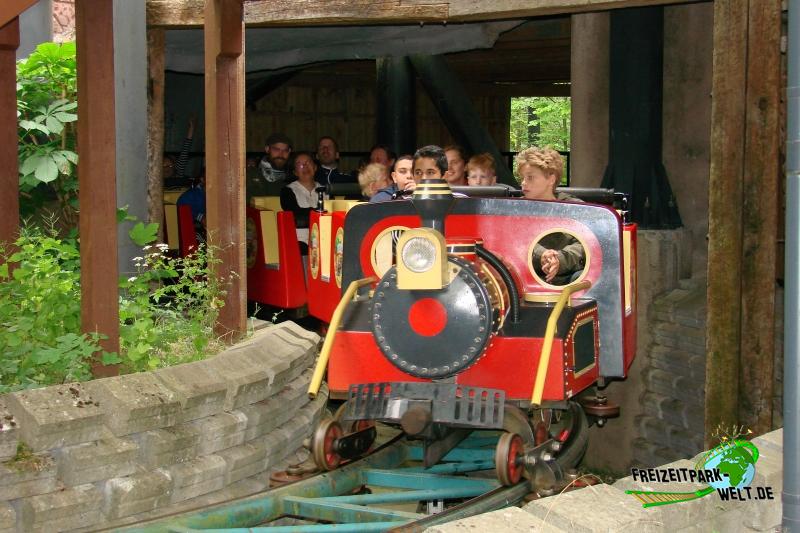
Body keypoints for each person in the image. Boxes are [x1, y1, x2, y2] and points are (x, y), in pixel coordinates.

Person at [517, 146, 584, 285]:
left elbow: (584, 244)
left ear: (551, 179)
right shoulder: (514, 209)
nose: (523, 183)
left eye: (530, 177)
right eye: (522, 178)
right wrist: (541, 255)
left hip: (568, 279)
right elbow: (514, 240)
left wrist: (559, 259)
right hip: (523, 279)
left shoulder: (575, 208)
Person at [280, 152, 325, 255]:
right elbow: (295, 215)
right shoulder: (288, 191)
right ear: (295, 172)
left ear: (315, 167)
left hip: (323, 240)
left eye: (308, 163)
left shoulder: (326, 190)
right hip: (299, 243)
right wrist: (319, 213)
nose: (305, 166)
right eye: (300, 164)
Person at [248, 133, 293, 200]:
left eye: (285, 150)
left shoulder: (293, 177)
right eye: (276, 150)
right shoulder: (251, 175)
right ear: (267, 149)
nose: (281, 155)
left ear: (289, 152)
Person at [176, 169, 206, 242]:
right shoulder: (191, 195)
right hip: (194, 233)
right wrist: (201, 217)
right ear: (202, 179)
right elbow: (183, 209)